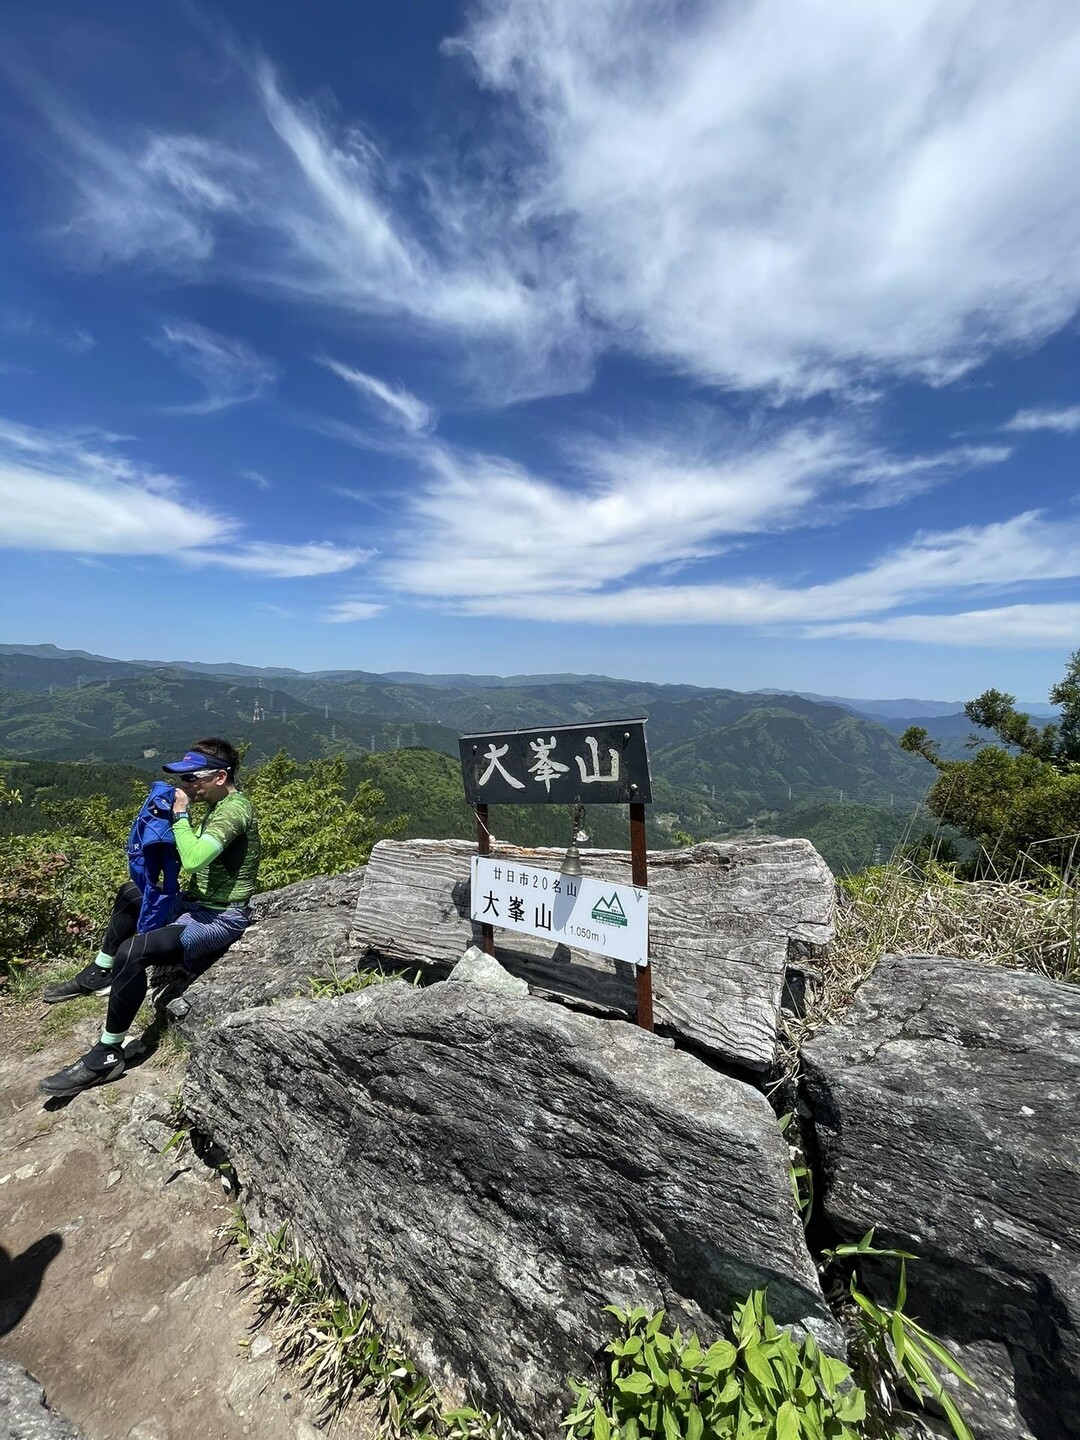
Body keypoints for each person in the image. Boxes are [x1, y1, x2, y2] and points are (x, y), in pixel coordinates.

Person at [39, 738, 261, 1098]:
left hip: (220, 918)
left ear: (220, 777)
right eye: (183, 779)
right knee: (131, 893)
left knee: (134, 951)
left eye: (193, 778)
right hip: (193, 902)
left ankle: (107, 1054)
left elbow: (194, 859)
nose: (185, 786)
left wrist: (179, 816)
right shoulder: (216, 803)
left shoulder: (235, 811)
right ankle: (99, 971)